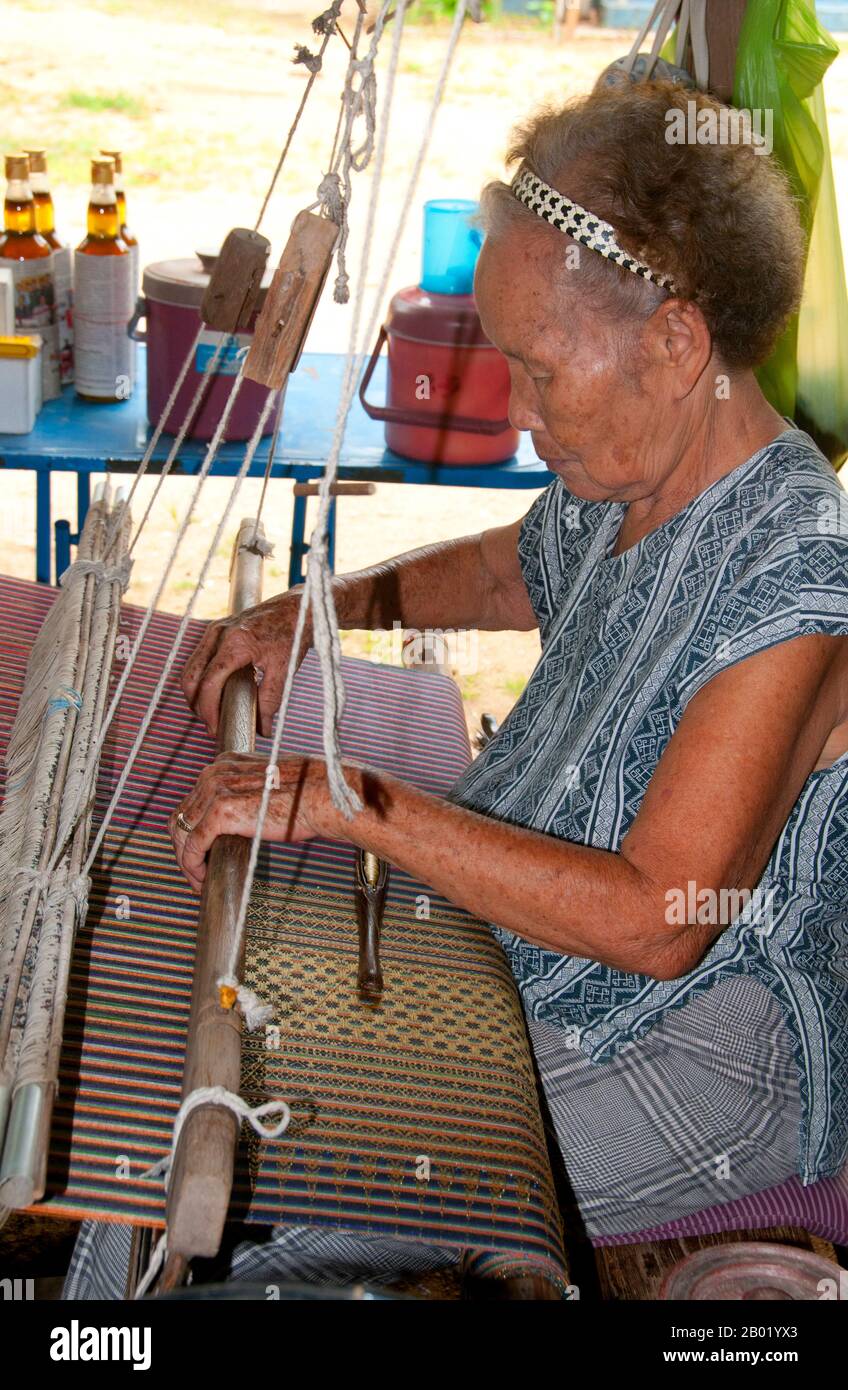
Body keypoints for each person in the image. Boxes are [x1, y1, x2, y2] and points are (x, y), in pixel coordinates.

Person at [65, 80, 848, 1296]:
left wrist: (351, 800)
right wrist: (315, 613)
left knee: (265, 1191)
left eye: (535, 368)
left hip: (691, 1037)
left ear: (675, 342)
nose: (514, 408)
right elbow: (503, 569)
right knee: (173, 1058)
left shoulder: (795, 574)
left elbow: (658, 918)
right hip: (515, 948)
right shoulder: (633, 473)